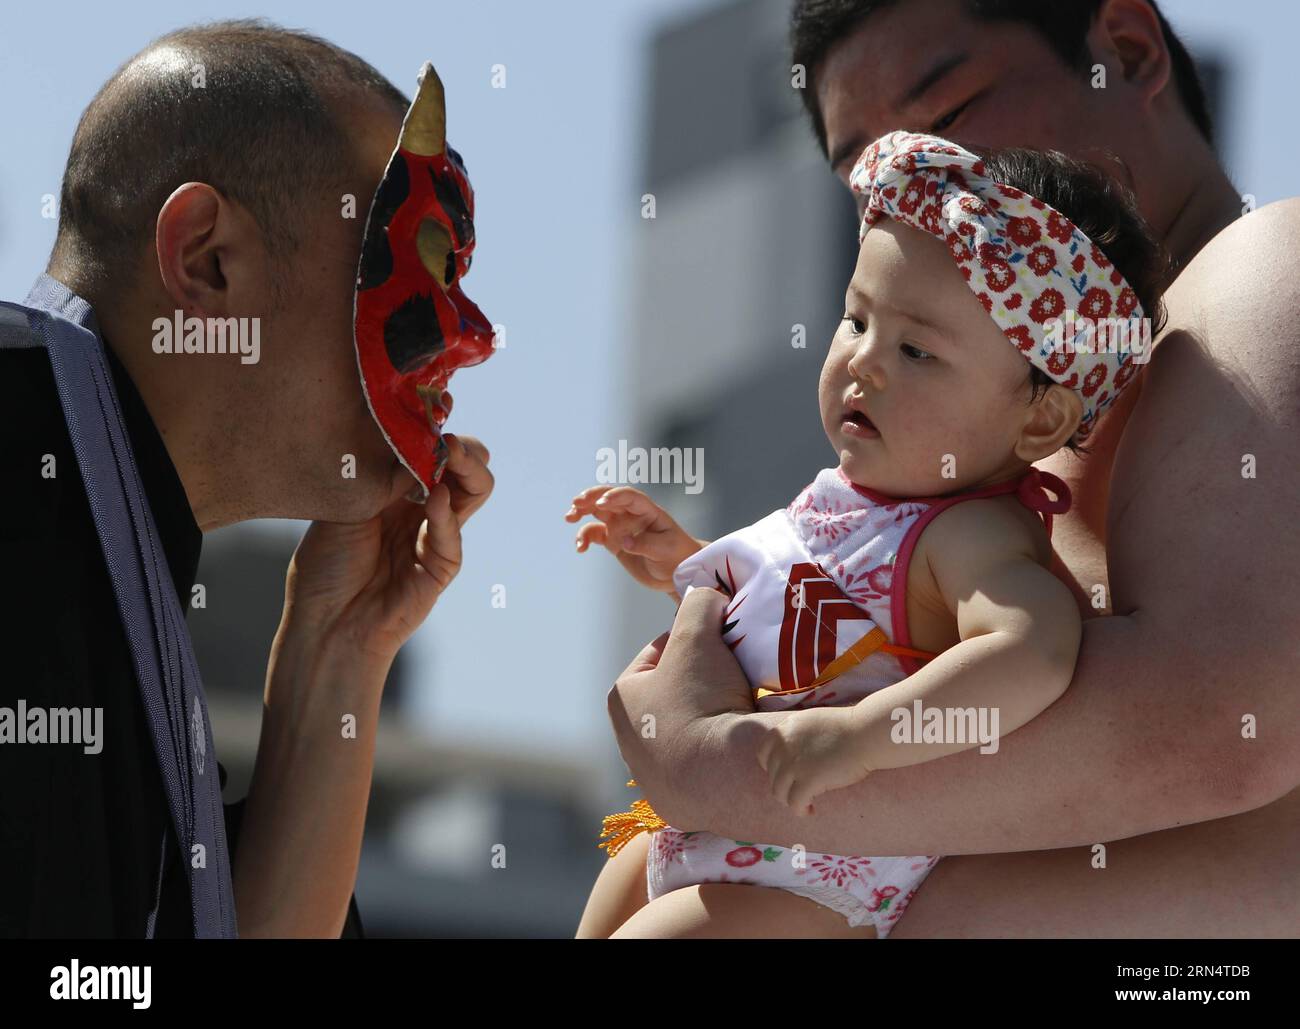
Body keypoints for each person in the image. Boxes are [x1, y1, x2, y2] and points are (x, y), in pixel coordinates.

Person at [596, 0, 1300, 938]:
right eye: (872, 174)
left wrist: (722, 765)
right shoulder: (958, 429)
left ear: (1124, 52)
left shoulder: (1259, 264)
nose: (931, 187)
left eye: (947, 117)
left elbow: (1217, 718)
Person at [574, 130, 1164, 937]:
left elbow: (1035, 648)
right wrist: (681, 557)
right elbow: (798, 605)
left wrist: (863, 735)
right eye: (856, 320)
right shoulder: (852, 500)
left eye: (917, 349)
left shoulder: (969, 532)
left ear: (1043, 417)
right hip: (713, 827)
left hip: (813, 872)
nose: (865, 363)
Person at [0, 20, 494, 937]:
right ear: (205, 260)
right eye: (421, 267)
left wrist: (340, 650)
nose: (468, 337)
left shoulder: (111, 535)